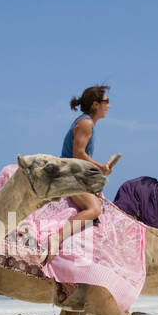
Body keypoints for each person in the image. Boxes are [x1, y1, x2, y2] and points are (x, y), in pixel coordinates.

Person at [45, 85, 116, 259]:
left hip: (75, 173)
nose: (109, 105)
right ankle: (58, 238)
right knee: (94, 209)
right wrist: (100, 167)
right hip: (69, 175)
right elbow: (79, 154)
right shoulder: (86, 123)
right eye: (106, 101)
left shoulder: (86, 122)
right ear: (95, 105)